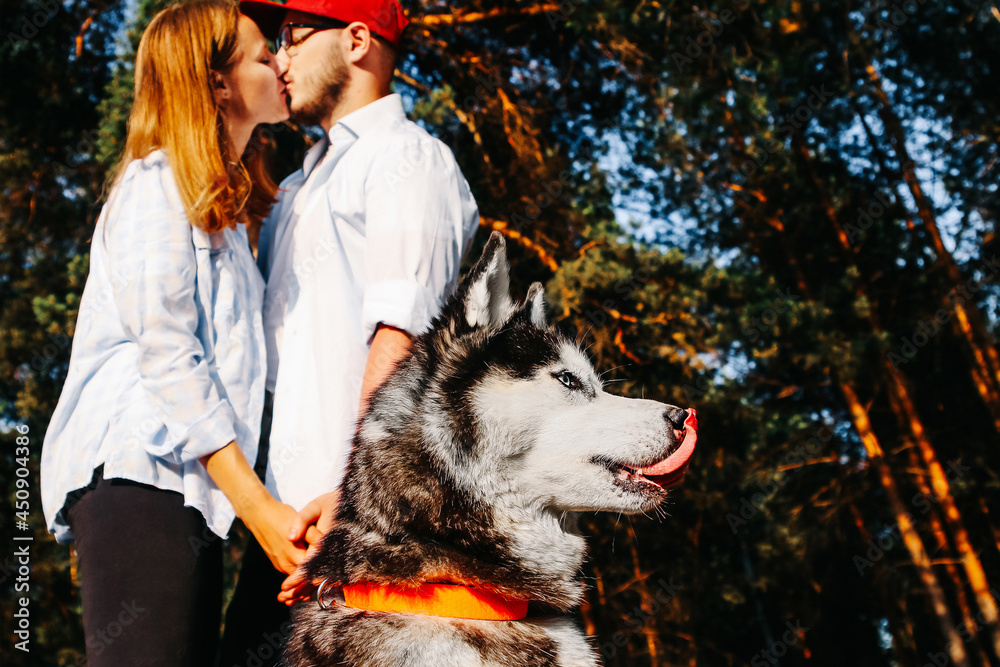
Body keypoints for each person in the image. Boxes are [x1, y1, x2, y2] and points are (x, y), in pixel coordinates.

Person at [40, 2, 311, 665]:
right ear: (217, 82)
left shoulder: (225, 217)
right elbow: (168, 356)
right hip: (139, 479)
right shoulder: (155, 186)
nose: (279, 61)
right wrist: (258, 506)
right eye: (259, 54)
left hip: (190, 492)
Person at [221, 0, 480, 663]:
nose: (279, 58)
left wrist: (355, 494)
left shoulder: (408, 158)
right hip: (289, 527)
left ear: (358, 40)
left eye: (292, 37)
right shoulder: (301, 185)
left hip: (368, 520)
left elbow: (403, 338)